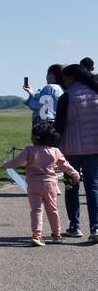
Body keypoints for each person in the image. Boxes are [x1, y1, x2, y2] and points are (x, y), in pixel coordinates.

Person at [3, 122, 79, 246]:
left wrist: (6, 165)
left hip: (33, 184)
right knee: (53, 210)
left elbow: (17, 162)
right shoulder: (55, 151)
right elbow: (66, 166)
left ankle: (37, 235)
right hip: (50, 184)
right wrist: (75, 175)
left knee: (36, 210)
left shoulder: (29, 150)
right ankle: (57, 234)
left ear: (35, 137)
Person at [55, 63, 98, 242]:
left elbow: (59, 126)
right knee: (92, 187)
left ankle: (74, 226)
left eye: (65, 78)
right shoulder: (96, 93)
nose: (64, 81)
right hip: (94, 148)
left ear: (71, 78)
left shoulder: (67, 97)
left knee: (71, 187)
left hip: (70, 149)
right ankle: (95, 227)